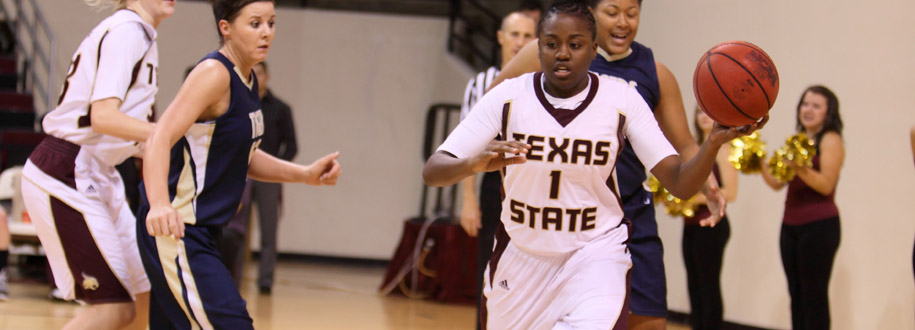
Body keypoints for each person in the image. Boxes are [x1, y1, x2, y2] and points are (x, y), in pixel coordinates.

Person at [423, 2, 758, 328]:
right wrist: (472, 163)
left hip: (597, 247)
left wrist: (714, 140)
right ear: (538, 47)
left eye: (576, 44)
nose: (563, 53)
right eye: (552, 44)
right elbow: (436, 168)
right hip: (523, 253)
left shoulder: (624, 99)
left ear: (592, 48)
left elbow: (679, 176)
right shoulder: (508, 96)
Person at [137, 1, 341, 328]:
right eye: (255, 23)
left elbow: (244, 156)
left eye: (271, 23)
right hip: (177, 230)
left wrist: (304, 174)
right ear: (226, 28)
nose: (266, 33)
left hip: (202, 230)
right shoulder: (213, 74)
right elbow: (158, 138)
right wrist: (160, 204)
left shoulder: (247, 82)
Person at [18, 0, 173, 328]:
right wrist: (169, 135)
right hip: (67, 170)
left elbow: (123, 133)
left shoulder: (140, 34)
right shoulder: (126, 31)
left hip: (100, 170)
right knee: (114, 308)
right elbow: (103, 117)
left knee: (147, 290)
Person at [457, 10, 534, 327]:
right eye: (514, 35)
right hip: (493, 182)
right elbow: (465, 144)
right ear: (500, 38)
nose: (520, 42)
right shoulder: (481, 84)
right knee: (490, 268)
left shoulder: (540, 82)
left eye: (528, 36)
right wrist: (468, 200)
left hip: (532, 182)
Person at [759, 85, 844, 330]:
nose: (808, 109)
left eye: (816, 106)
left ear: (828, 113)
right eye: (805, 104)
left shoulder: (831, 139)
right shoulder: (798, 141)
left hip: (819, 227)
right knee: (795, 295)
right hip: (790, 226)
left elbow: (826, 185)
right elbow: (776, 183)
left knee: (814, 296)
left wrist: (798, 167)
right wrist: (759, 158)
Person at [682, 106, 738, 330]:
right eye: (699, 112)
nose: (704, 116)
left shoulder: (723, 149)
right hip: (690, 225)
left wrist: (689, 199)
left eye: (709, 112)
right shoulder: (689, 149)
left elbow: (731, 192)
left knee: (708, 286)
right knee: (693, 286)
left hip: (713, 225)